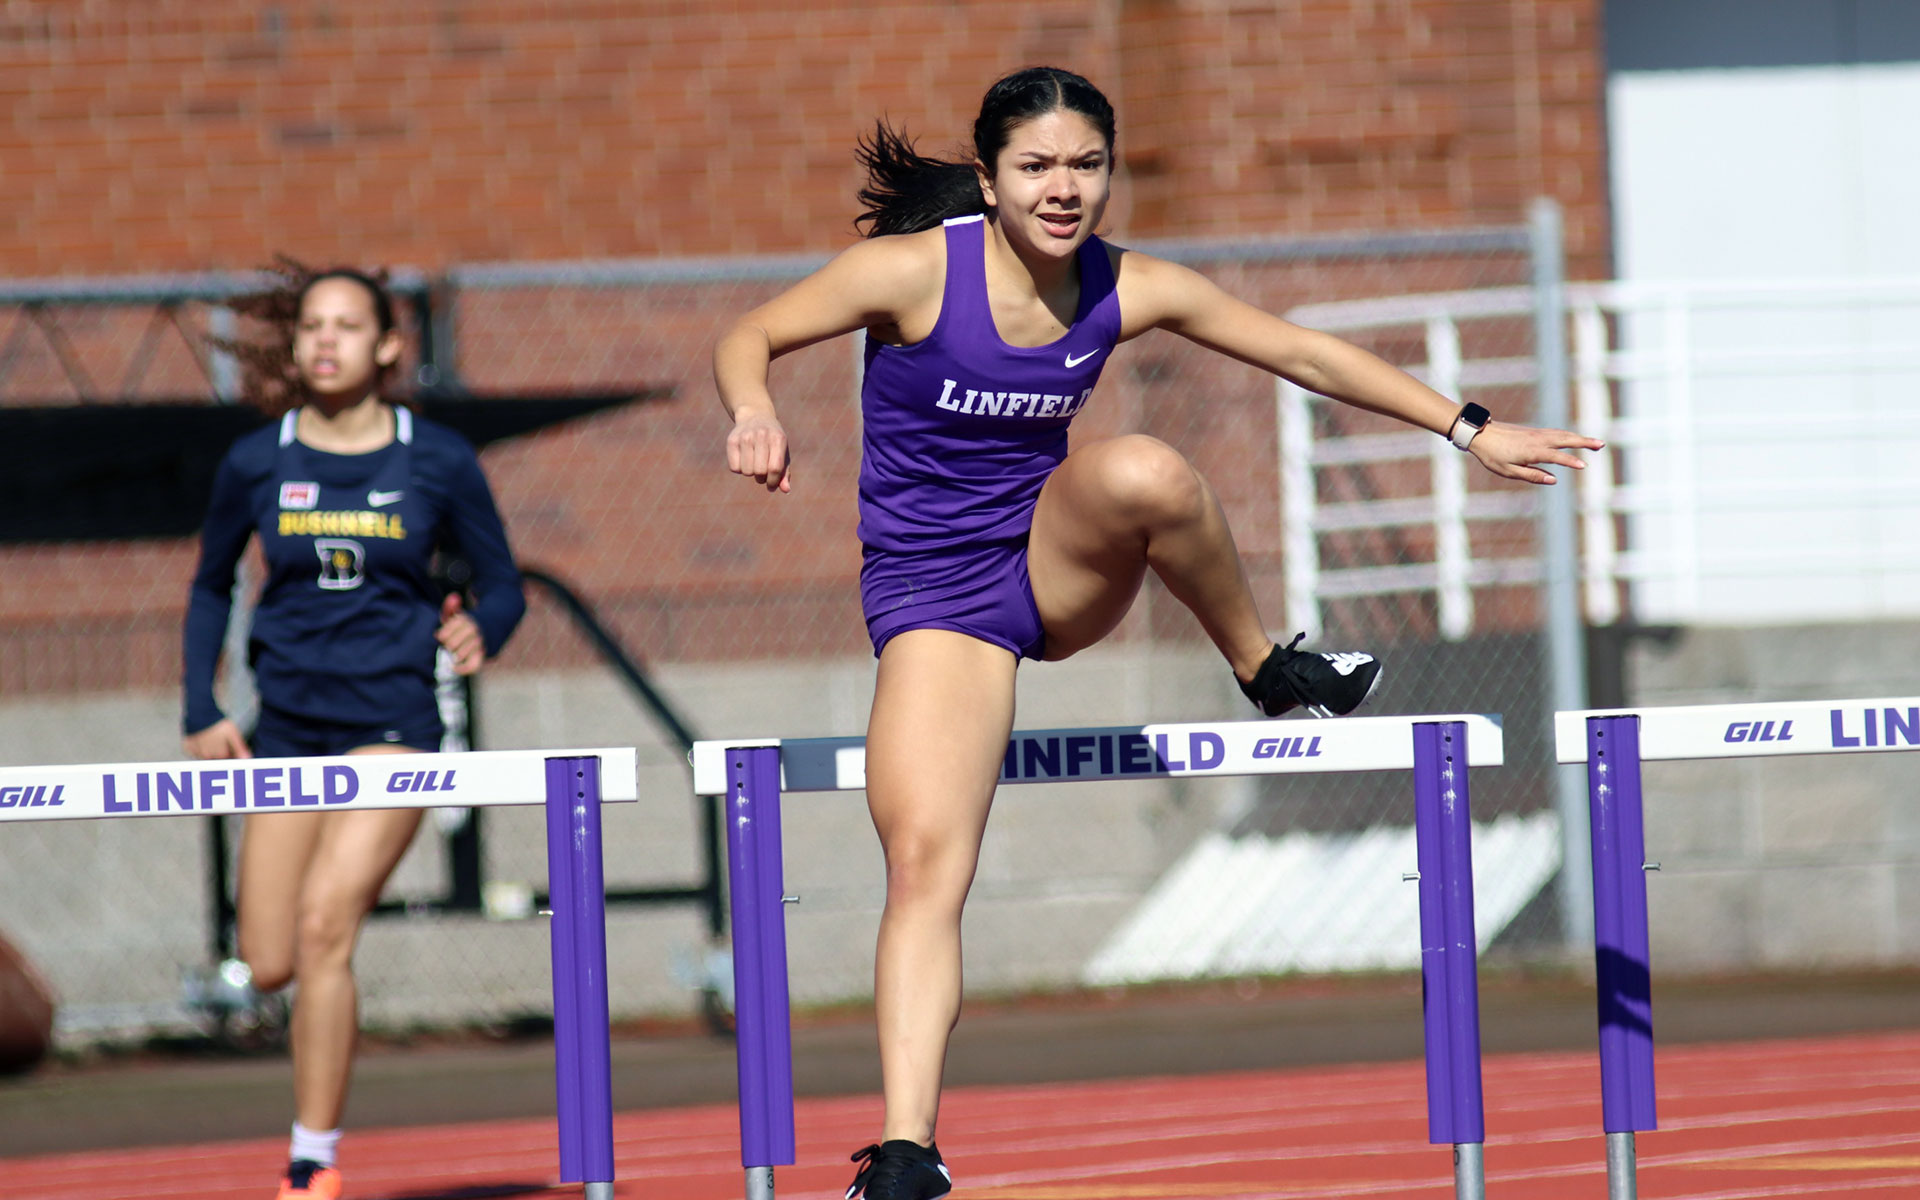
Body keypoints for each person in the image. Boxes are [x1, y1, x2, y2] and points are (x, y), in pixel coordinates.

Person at [714, 67, 1604, 1200]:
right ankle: (905, 1147)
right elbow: (749, 332)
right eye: (1035, 167)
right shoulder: (911, 273)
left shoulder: (1125, 286)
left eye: (1086, 165)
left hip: (1052, 567)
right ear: (986, 181)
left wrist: (1471, 429)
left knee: (1145, 469)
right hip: (935, 602)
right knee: (928, 865)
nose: (1063, 188)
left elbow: (1304, 354)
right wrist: (753, 408)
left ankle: (1264, 666)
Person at [183, 262, 526, 1200]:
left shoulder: (438, 457)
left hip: (392, 728)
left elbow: (504, 585)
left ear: (385, 347)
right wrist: (201, 709)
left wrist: (479, 627)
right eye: (312, 327)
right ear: (294, 349)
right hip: (287, 733)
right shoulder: (259, 460)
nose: (325, 340)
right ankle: (309, 1128)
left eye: (347, 325)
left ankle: (311, 1161)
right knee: (269, 963)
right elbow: (211, 583)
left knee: (329, 926)